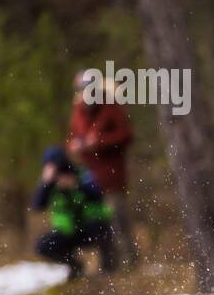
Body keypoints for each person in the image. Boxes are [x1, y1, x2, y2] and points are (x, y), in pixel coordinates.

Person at [67, 69, 137, 264]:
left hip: (112, 175)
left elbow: (126, 135)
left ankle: (130, 261)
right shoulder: (78, 111)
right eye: (81, 88)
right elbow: (72, 137)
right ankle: (109, 264)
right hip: (89, 178)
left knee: (118, 219)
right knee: (98, 222)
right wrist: (76, 145)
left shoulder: (111, 107)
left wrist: (98, 141)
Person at [32, 145, 117, 279]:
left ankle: (109, 269)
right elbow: (37, 206)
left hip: (89, 225)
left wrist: (76, 185)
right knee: (43, 246)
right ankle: (75, 266)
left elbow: (98, 194)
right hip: (67, 230)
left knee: (103, 229)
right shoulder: (49, 184)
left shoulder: (81, 173)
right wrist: (46, 184)